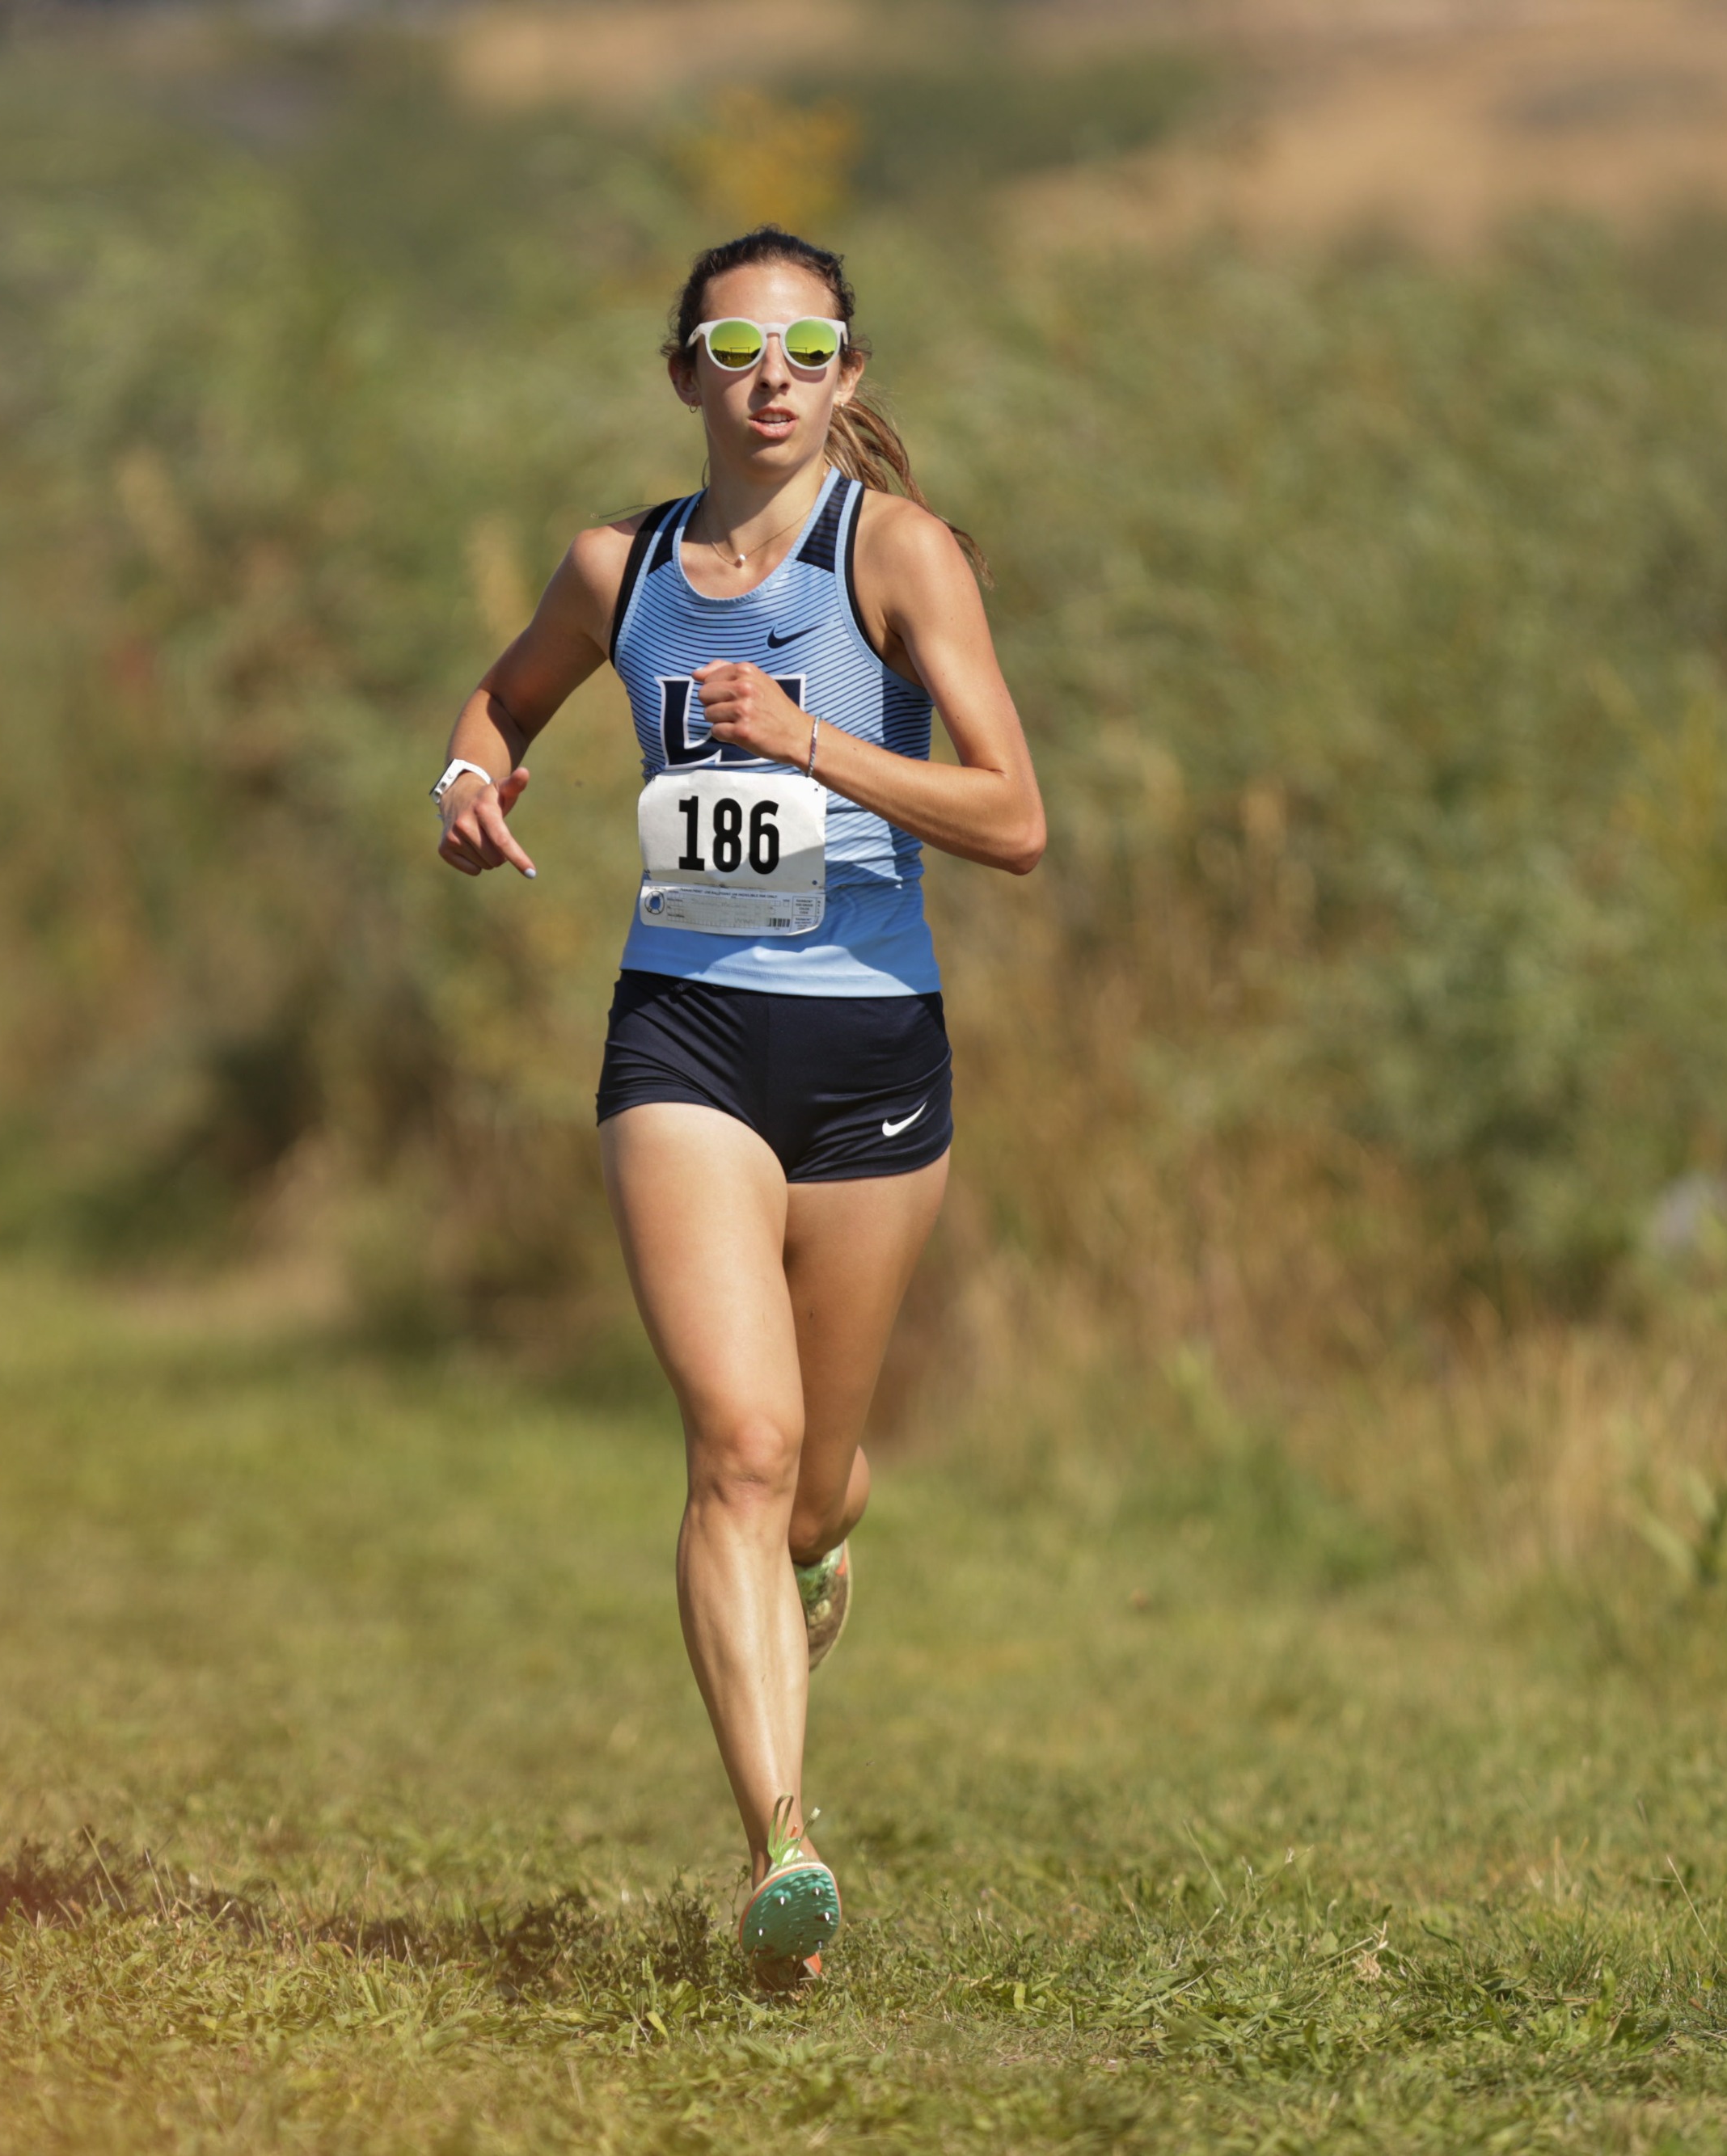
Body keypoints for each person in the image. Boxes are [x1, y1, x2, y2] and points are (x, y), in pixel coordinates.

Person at [431, 227, 1045, 1988]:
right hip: (681, 1040)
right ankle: (780, 1849)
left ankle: (812, 1570)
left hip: (869, 1057)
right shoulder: (615, 566)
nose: (768, 373)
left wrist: (808, 741)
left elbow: (1012, 815)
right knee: (740, 1447)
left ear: (844, 377)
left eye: (805, 344)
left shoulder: (896, 554)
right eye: (732, 343)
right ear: (683, 373)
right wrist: (468, 771)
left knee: (815, 1485)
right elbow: (502, 694)